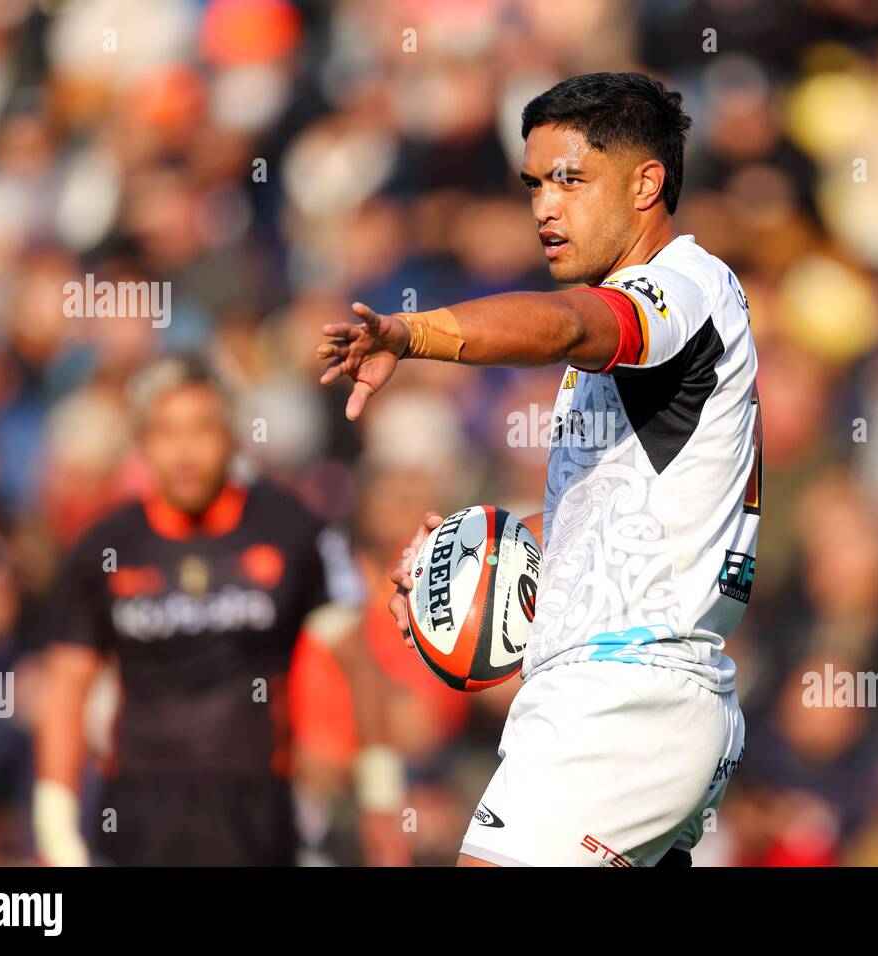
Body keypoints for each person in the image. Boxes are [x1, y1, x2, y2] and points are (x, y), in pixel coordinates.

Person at [318, 72, 761, 867]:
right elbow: (615, 522)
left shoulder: (683, 288)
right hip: (641, 699)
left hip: (623, 698)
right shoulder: (629, 334)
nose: (543, 207)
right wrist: (470, 560)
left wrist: (410, 335)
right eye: (534, 185)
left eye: (569, 181)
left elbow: (563, 328)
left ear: (645, 183)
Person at [34, 354, 408, 866]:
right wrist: (55, 832)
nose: (184, 451)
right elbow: (66, 689)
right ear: (143, 443)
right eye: (167, 431)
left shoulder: (291, 529)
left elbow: (359, 668)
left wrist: (381, 802)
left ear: (232, 436)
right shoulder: (105, 545)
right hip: (139, 807)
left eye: (202, 429)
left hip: (256, 805)